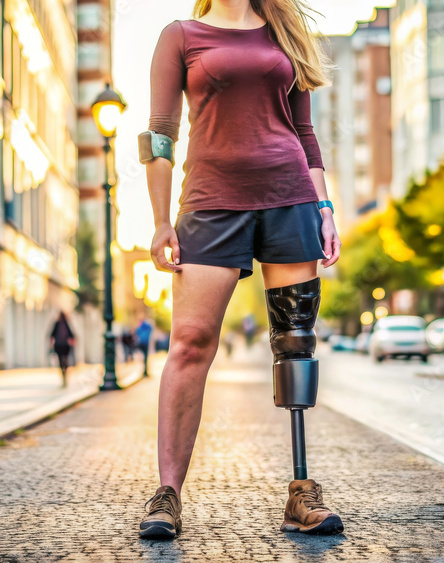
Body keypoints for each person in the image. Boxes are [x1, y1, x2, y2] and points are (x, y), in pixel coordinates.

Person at [137, 0, 343, 539]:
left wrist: (324, 209)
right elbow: (159, 134)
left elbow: (305, 133)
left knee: (295, 344)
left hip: (290, 199)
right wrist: (160, 221)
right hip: (210, 204)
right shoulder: (182, 36)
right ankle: (167, 494)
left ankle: (301, 492)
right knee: (190, 343)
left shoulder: (285, 31)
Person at [49, 310, 76, 388]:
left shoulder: (58, 323)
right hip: (64, 345)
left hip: (59, 345)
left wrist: (51, 344)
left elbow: (52, 334)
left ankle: (64, 373)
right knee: (64, 360)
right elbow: (71, 334)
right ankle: (65, 372)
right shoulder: (65, 323)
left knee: (61, 361)